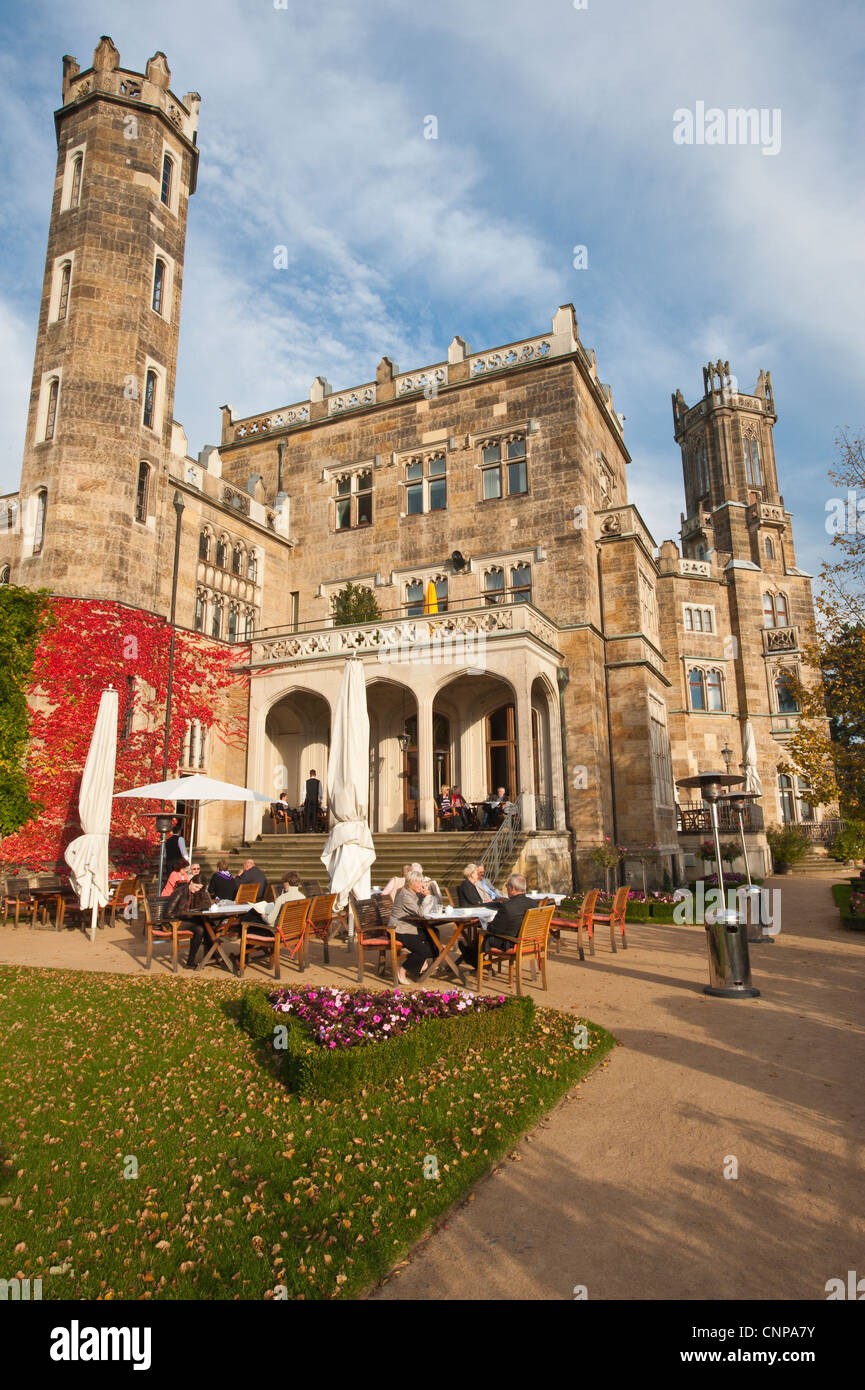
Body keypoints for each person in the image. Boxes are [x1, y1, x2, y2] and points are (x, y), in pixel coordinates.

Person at [459, 873, 533, 967]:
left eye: (507, 886)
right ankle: (471, 955)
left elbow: (493, 929)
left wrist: (485, 922)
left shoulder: (508, 907)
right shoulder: (533, 904)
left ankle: (472, 959)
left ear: (513, 888)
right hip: (530, 942)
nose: (506, 888)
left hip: (511, 943)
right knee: (484, 933)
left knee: (482, 933)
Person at [388, 873, 435, 983]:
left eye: (421, 882)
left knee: (433, 933)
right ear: (410, 883)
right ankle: (403, 970)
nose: (421, 885)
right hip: (399, 930)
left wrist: (425, 897)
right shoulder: (405, 896)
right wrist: (427, 897)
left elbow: (427, 909)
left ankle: (423, 962)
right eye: (418, 882)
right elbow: (421, 913)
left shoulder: (414, 894)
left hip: (410, 927)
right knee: (423, 950)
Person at [163, 876, 213, 970]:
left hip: (188, 921)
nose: (197, 889)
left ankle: (207, 955)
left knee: (205, 926)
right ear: (191, 882)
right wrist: (185, 915)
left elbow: (206, 905)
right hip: (174, 922)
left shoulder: (198, 893)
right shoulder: (179, 892)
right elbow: (168, 914)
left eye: (200, 888)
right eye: (196, 887)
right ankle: (212, 954)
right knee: (201, 928)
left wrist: (203, 895)